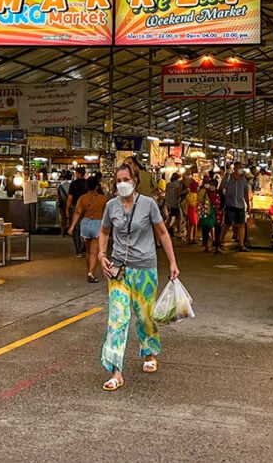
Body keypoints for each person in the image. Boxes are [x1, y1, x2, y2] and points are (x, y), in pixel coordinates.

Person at [97, 162, 180, 392]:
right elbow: (104, 232)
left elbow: (162, 232)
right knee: (118, 318)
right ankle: (116, 371)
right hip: (118, 271)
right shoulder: (111, 206)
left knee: (144, 317)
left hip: (145, 269)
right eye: (119, 180)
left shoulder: (148, 204)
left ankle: (149, 353)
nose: (122, 184)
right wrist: (101, 254)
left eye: (126, 179)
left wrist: (172, 262)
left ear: (135, 181)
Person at [68, 174, 107, 283]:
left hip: (85, 224)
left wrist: (72, 226)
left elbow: (77, 213)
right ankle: (91, 273)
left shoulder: (82, 198)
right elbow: (106, 214)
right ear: (97, 187)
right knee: (95, 252)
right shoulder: (103, 199)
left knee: (88, 251)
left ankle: (89, 271)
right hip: (97, 224)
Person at [221, 162, 252, 251]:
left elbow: (246, 193)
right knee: (227, 224)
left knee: (241, 224)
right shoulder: (228, 177)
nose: (241, 169)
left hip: (240, 205)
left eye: (242, 168)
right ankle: (221, 240)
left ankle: (241, 245)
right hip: (230, 204)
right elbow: (221, 188)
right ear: (234, 168)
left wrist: (248, 205)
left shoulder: (243, 180)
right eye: (239, 167)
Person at [66, 167, 89, 257]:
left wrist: (67, 210)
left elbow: (70, 198)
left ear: (78, 174)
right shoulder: (87, 184)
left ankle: (78, 250)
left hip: (76, 207)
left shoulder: (73, 184)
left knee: (76, 229)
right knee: (85, 227)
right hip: (87, 208)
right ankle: (84, 246)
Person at [164, 171, 185, 241]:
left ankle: (166, 230)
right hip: (176, 203)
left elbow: (166, 194)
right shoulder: (177, 185)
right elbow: (178, 194)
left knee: (171, 217)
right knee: (178, 217)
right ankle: (178, 232)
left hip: (169, 203)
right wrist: (185, 191)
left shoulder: (168, 185)